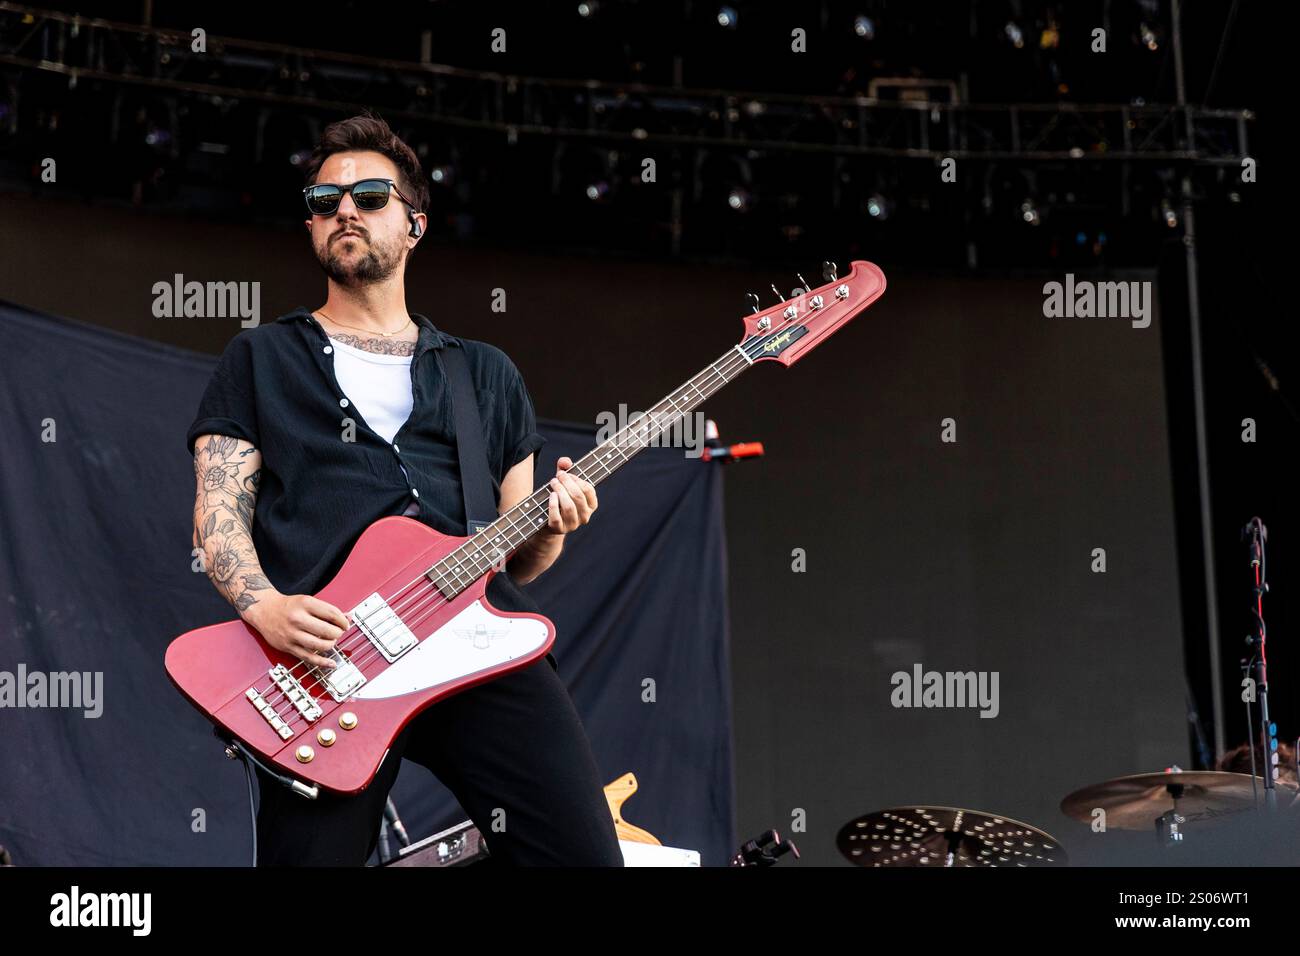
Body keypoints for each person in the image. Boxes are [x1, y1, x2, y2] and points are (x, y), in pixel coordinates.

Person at [186, 111, 623, 867]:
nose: (344, 210)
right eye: (324, 201)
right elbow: (218, 508)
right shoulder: (261, 356)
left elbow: (518, 558)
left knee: (582, 856)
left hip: (479, 648)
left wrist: (554, 522)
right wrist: (265, 606)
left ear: (415, 223)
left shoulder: (482, 372)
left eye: (370, 195)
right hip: (325, 666)